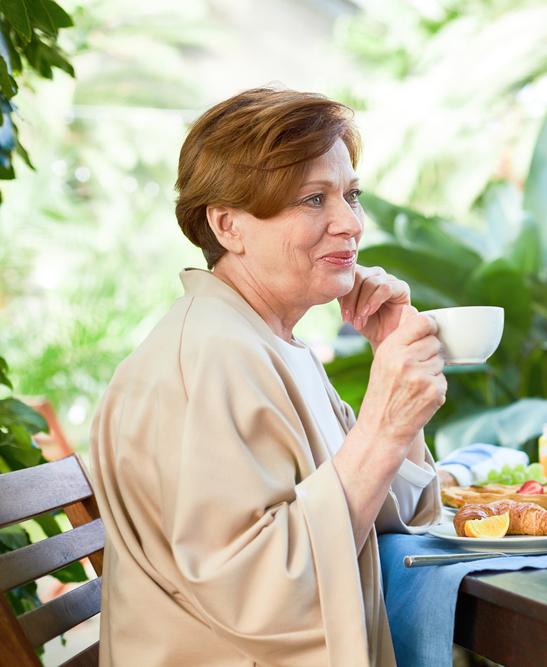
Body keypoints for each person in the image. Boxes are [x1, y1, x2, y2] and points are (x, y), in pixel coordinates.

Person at [89, 87, 447, 667]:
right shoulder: (211, 355)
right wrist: (381, 426)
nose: (349, 223)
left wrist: (394, 394)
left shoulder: (268, 341)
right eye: (312, 199)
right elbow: (263, 598)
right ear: (229, 225)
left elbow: (394, 515)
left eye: (350, 195)